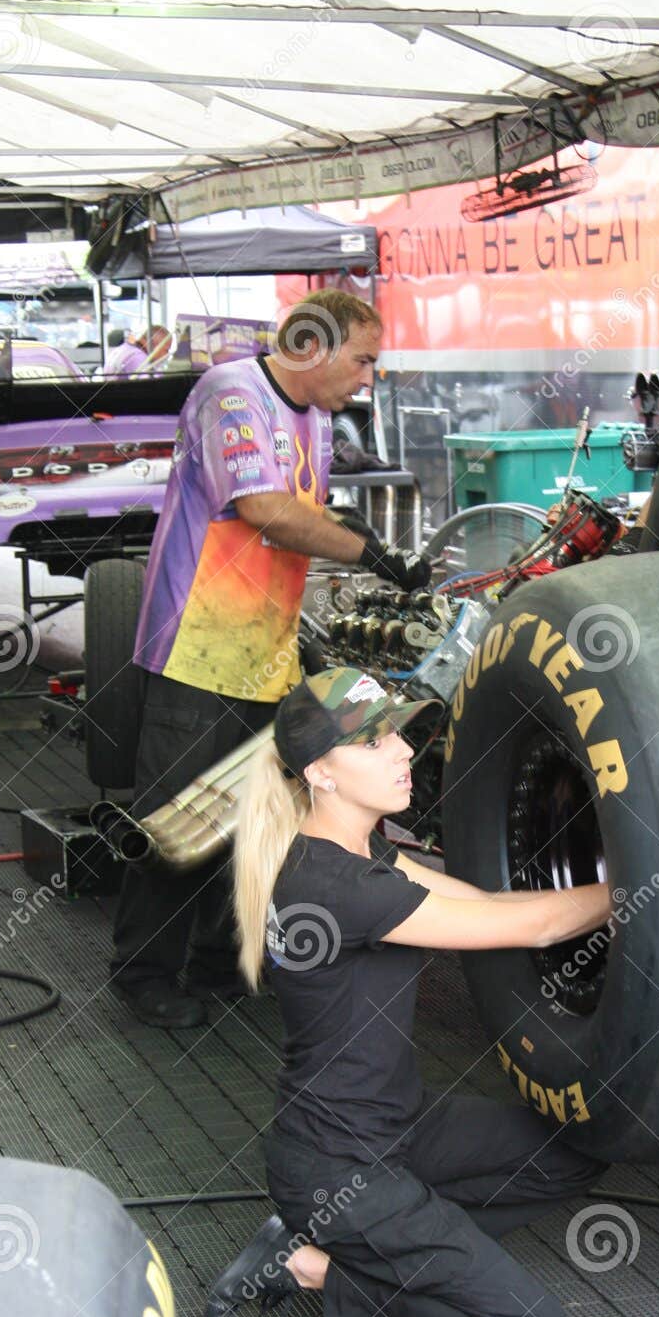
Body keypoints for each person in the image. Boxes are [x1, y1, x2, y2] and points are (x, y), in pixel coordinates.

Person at [205, 665, 612, 1317]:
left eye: (396, 733)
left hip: (399, 1126)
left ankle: (399, 1248)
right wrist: (640, 886)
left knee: (577, 1150)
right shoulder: (339, 887)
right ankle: (317, 1268)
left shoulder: (363, 853)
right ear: (321, 774)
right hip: (339, 1166)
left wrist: (599, 898)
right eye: (372, 743)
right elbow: (537, 928)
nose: (402, 751)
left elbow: (484, 905)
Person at [110, 290, 429, 1027]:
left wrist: (356, 531)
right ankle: (143, 973)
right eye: (362, 360)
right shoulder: (231, 394)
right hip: (197, 648)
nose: (368, 379)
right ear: (313, 347)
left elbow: (304, 511)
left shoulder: (312, 418)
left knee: (253, 818)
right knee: (177, 818)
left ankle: (221, 962)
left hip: (266, 651)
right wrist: (373, 553)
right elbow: (265, 511)